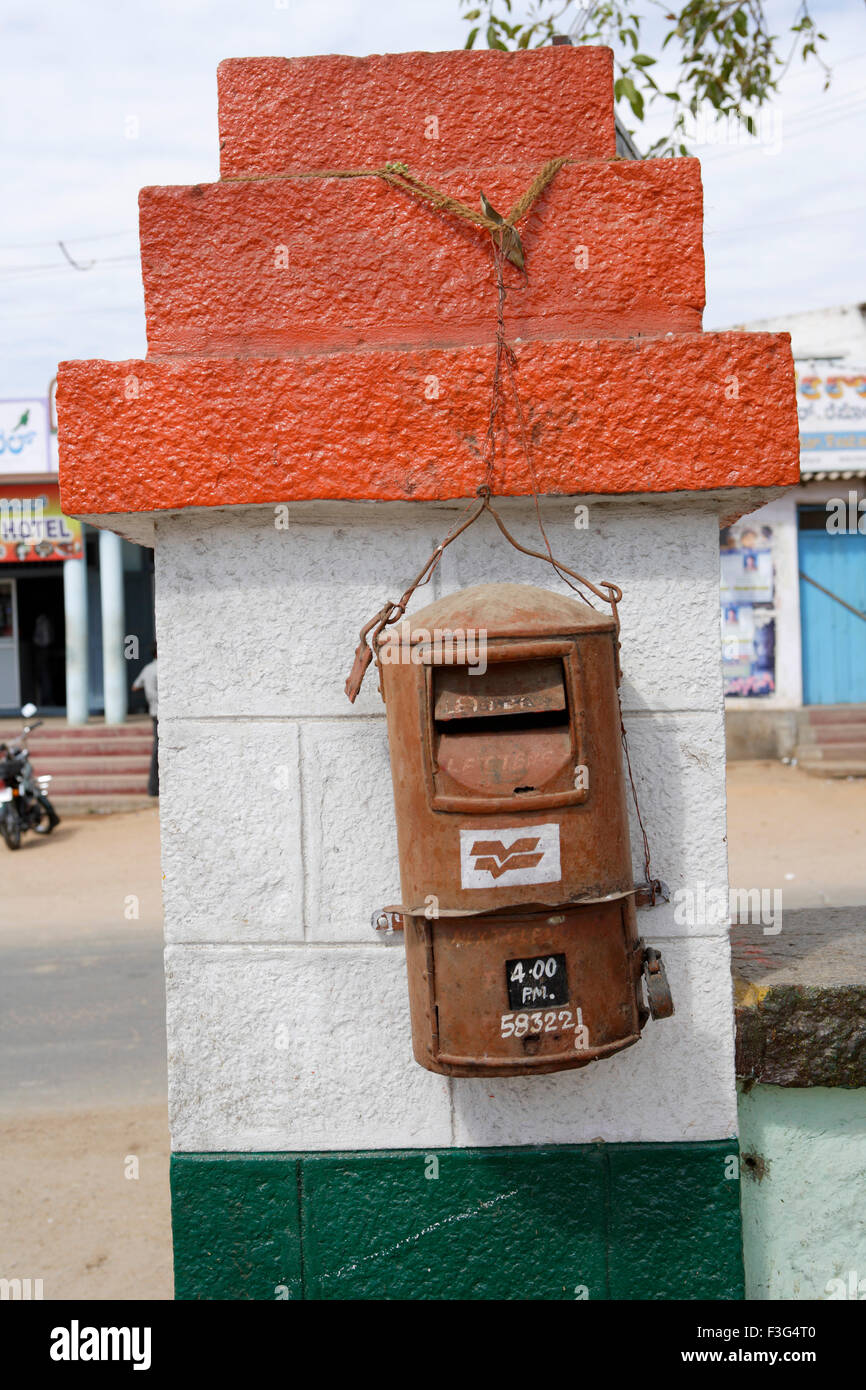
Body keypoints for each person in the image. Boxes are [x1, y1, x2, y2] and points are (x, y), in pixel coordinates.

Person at [132, 644, 159, 797]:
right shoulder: (162, 668)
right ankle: (154, 787)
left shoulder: (148, 669)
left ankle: (153, 787)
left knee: (157, 749)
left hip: (153, 711)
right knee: (158, 750)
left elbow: (135, 686)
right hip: (161, 712)